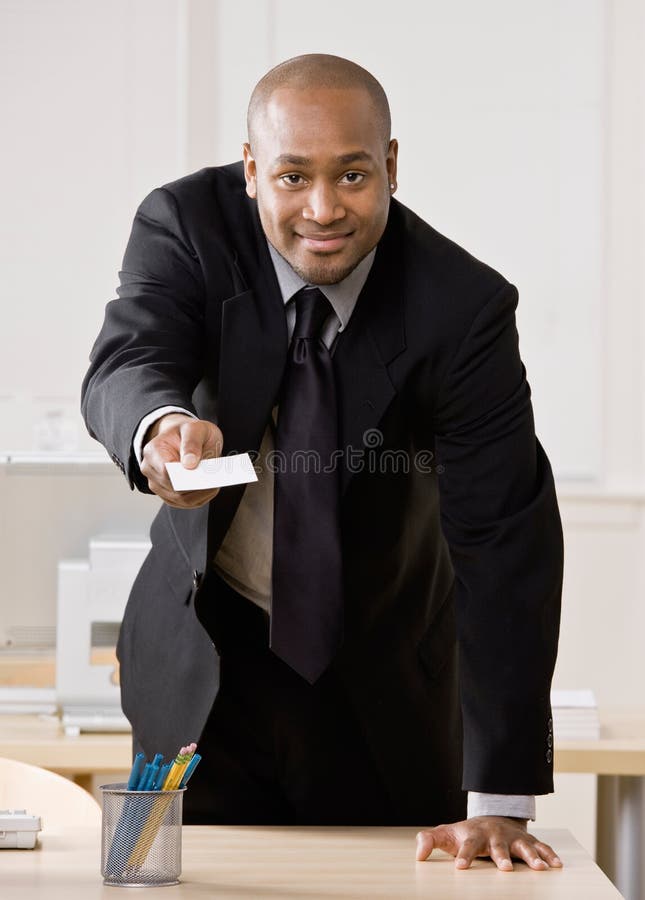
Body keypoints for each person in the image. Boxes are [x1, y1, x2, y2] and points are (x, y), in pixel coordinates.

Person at [81, 53, 564, 872]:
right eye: (292, 176)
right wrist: (161, 428)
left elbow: (502, 540)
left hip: (385, 674)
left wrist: (499, 802)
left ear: (391, 166)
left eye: (352, 175)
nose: (322, 208)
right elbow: (132, 356)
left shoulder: (463, 308)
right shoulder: (186, 227)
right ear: (251, 171)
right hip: (205, 660)